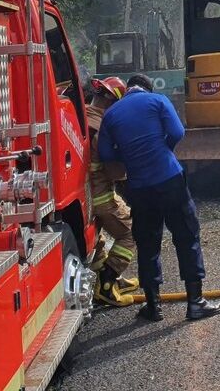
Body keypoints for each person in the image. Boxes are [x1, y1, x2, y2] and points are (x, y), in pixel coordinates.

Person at [97, 74, 220, 322]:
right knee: (186, 236)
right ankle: (195, 302)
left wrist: (132, 158)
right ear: (146, 88)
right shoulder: (158, 100)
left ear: (128, 89)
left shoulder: (110, 115)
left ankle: (154, 306)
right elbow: (177, 131)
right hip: (170, 180)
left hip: (140, 187)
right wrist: (162, 150)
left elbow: (105, 153)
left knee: (147, 243)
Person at [85, 76, 140, 306]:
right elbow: (115, 172)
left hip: (85, 197)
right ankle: (107, 283)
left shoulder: (81, 117)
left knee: (96, 238)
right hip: (100, 195)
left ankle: (104, 279)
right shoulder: (102, 129)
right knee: (130, 232)